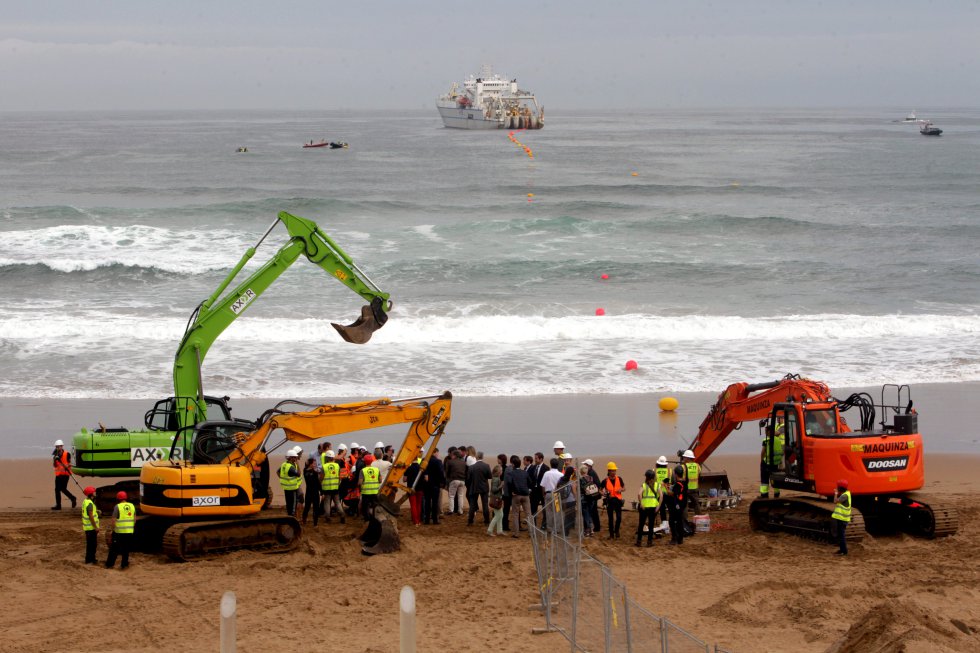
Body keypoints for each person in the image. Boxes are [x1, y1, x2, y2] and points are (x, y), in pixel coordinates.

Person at [104, 491, 136, 569]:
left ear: (118, 498)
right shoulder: (132, 506)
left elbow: (113, 520)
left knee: (114, 548)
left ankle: (109, 564)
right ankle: (124, 565)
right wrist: (130, 527)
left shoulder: (117, 506)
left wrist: (113, 530)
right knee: (126, 548)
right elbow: (135, 519)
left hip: (119, 532)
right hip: (129, 532)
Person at [635, 470, 662, 547]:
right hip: (653, 507)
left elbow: (639, 494)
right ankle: (649, 542)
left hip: (644, 508)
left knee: (641, 524)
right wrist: (658, 506)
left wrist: (641, 503)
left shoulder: (643, 485)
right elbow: (661, 496)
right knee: (651, 525)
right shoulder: (657, 485)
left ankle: (639, 541)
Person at [760, 418, 784, 498]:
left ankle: (764, 495)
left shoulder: (766, 440)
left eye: (766, 431)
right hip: (775, 463)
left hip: (767, 463)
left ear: (769, 432)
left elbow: (763, 452)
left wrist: (761, 461)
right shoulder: (778, 440)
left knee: (764, 481)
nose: (765, 433)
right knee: (775, 479)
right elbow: (780, 452)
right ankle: (776, 494)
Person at [507, 454, 531, 537]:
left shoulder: (511, 473)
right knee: (528, 514)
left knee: (515, 514)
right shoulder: (525, 472)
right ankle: (531, 533)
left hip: (516, 495)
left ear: (513, 464)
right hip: (525, 494)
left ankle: (516, 533)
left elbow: (509, 483)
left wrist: (512, 491)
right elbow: (530, 482)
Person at [466, 452, 492, 526]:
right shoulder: (486, 466)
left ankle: (470, 521)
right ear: (482, 457)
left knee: (472, 505)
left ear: (476, 457)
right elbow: (490, 476)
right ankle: (486, 520)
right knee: (485, 505)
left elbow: (468, 479)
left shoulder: (471, 467)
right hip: (484, 488)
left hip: (474, 487)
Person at [320, 450, 344, 524]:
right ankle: (342, 515)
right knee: (337, 502)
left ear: (327, 458)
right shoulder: (337, 466)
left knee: (327, 503)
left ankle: (327, 517)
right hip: (335, 487)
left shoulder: (324, 466)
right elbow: (339, 477)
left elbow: (321, 478)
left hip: (326, 488)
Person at [421, 449, 445, 525]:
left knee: (427, 502)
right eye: (438, 453)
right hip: (435, 484)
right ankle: (435, 519)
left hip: (426, 484)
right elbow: (441, 473)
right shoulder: (438, 461)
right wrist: (443, 482)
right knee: (435, 502)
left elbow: (420, 470)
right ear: (435, 452)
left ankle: (426, 519)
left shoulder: (423, 460)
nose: (438, 454)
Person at [539, 457, 564, 530]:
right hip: (556, 495)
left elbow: (542, 485)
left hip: (548, 494)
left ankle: (550, 528)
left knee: (549, 512)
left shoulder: (547, 473)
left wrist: (544, 494)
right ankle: (557, 528)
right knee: (557, 511)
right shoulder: (560, 474)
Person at [601, 462, 624, 539]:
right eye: (612, 470)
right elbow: (600, 490)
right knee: (610, 519)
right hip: (610, 501)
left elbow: (624, 488)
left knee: (619, 517)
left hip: (618, 500)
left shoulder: (619, 479)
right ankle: (611, 534)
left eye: (615, 470)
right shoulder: (605, 480)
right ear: (609, 471)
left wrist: (621, 489)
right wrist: (603, 493)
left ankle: (617, 531)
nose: (614, 472)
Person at [52, 439, 77, 510]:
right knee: (57, 489)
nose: (57, 448)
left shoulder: (67, 454)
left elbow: (70, 463)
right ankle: (58, 505)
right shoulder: (55, 455)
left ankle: (73, 498)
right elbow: (54, 465)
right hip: (58, 474)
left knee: (63, 489)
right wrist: (55, 460)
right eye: (56, 447)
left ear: (62, 446)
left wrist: (66, 465)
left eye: (59, 446)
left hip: (65, 474)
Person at [666, 464, 687, 545]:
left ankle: (674, 538)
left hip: (677, 505)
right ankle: (680, 539)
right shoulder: (684, 483)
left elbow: (672, 493)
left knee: (672, 521)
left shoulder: (678, 484)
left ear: (676, 474)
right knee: (679, 521)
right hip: (682, 505)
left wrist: (666, 488)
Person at [278, 449, 302, 517]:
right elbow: (299, 474)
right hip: (292, 488)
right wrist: (298, 465)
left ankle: (289, 515)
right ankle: (292, 515)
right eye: (294, 457)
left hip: (286, 488)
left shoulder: (284, 464)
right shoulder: (291, 467)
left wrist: (283, 479)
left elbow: (278, 472)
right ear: (291, 458)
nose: (296, 458)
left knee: (288, 503)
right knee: (293, 503)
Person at [444, 448, 468, 515]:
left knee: (451, 496)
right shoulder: (464, 462)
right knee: (460, 495)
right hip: (462, 481)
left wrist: (447, 481)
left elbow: (447, 472)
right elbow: (466, 471)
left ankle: (451, 510)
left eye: (452, 455)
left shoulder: (450, 462)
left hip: (454, 480)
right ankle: (460, 511)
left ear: (454, 455)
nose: (451, 456)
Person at [80, 485, 100, 564]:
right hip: (91, 528)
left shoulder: (86, 501)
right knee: (92, 545)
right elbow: (91, 516)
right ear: (91, 494)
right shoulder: (90, 504)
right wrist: (96, 527)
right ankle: (90, 559)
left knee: (90, 545)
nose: (95, 494)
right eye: (93, 493)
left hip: (87, 528)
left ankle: (89, 559)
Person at [527, 452, 549, 524]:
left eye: (536, 458)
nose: (535, 460)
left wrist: (545, 491)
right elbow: (529, 479)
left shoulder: (546, 468)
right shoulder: (533, 468)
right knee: (533, 509)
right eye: (535, 458)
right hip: (534, 491)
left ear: (541, 459)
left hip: (542, 491)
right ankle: (534, 525)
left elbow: (547, 481)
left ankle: (544, 525)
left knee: (545, 509)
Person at [832, 478, 852, 555]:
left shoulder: (844, 496)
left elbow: (835, 501)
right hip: (842, 518)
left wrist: (836, 493)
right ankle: (842, 550)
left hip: (842, 519)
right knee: (840, 535)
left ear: (840, 488)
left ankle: (844, 551)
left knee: (841, 535)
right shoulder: (846, 493)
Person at [358, 454, 381, 520]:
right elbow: (380, 480)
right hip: (375, 492)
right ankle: (375, 518)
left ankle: (367, 519)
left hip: (366, 492)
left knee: (365, 507)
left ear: (364, 461)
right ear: (372, 461)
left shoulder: (362, 471)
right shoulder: (377, 470)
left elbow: (360, 482)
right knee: (375, 506)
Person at [302, 455, 322, 527]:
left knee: (307, 507)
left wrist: (308, 462)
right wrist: (322, 492)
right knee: (315, 508)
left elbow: (306, 466)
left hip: (309, 492)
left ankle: (304, 520)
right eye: (314, 463)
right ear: (310, 464)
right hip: (314, 492)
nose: (315, 465)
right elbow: (318, 483)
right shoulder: (314, 473)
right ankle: (315, 524)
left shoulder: (305, 471)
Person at [404, 456, 423, 526]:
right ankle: (419, 520)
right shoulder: (421, 468)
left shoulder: (409, 468)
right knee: (419, 505)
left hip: (411, 489)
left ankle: (415, 521)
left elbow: (404, 479)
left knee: (413, 505)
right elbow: (426, 478)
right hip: (420, 488)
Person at [579, 464, 597, 537]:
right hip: (592, 498)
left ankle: (588, 530)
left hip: (584, 499)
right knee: (589, 514)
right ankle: (591, 530)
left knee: (586, 515)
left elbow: (580, 489)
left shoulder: (580, 480)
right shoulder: (591, 478)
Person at [583, 459, 601, 533]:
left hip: (593, 495)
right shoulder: (591, 472)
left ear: (588, 466)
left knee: (593, 512)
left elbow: (595, 484)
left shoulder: (591, 473)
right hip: (594, 495)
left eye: (585, 464)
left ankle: (597, 527)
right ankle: (596, 526)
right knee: (593, 511)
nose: (584, 466)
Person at [487, 465, 505, 536]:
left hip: (496, 498)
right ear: (498, 472)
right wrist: (501, 486)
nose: (502, 472)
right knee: (498, 515)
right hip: (496, 499)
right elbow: (494, 490)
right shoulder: (496, 479)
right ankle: (489, 530)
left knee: (500, 515)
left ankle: (499, 531)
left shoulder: (496, 478)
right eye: (501, 470)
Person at [682, 449, 701, 517]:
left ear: (687, 458)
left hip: (686, 489)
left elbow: (682, 478)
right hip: (695, 488)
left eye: (684, 457)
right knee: (696, 505)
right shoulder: (697, 466)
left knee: (684, 506)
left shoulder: (683, 467)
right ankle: (699, 519)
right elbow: (698, 474)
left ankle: (685, 521)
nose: (683, 458)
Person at [654, 456, 672, 524]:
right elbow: (673, 481)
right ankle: (671, 523)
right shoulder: (669, 471)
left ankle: (664, 523)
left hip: (658, 494)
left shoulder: (655, 471)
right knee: (671, 509)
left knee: (662, 510)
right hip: (668, 493)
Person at [498, 454, 512, 531]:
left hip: (503, 490)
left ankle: (502, 523)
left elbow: (504, 481)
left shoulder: (503, 468)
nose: (497, 460)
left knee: (503, 507)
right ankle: (503, 523)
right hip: (504, 490)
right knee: (502, 507)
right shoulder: (506, 468)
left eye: (498, 459)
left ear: (501, 459)